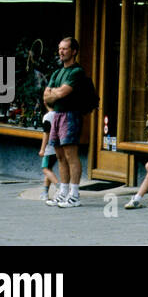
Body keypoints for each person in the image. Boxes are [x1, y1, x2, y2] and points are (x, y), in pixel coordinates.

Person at [42, 37, 86, 207]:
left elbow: (62, 93)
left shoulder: (76, 72)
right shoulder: (57, 73)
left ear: (73, 51)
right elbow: (47, 96)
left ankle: (74, 195)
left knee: (70, 155)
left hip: (70, 115)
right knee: (59, 155)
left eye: (65, 49)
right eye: (60, 48)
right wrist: (55, 92)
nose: (61, 52)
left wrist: (55, 92)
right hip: (57, 115)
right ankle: (63, 192)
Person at [38, 103, 58, 201]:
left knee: (45, 169)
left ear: (45, 103)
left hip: (49, 148)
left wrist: (42, 149)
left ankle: (59, 187)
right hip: (58, 147)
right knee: (49, 169)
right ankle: (45, 192)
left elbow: (46, 134)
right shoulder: (59, 114)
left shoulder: (47, 116)